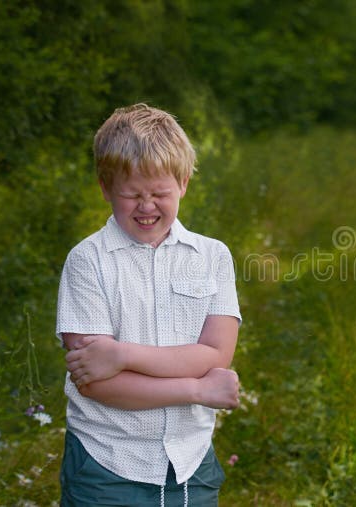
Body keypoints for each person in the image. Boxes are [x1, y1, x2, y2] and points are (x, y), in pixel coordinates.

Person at [56, 103, 241, 506]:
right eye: (131, 194)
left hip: (191, 463)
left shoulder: (212, 257)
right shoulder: (87, 261)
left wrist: (120, 354)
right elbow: (97, 383)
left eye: (159, 193)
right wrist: (196, 388)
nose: (146, 206)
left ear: (184, 184)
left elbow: (216, 353)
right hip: (105, 465)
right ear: (105, 188)